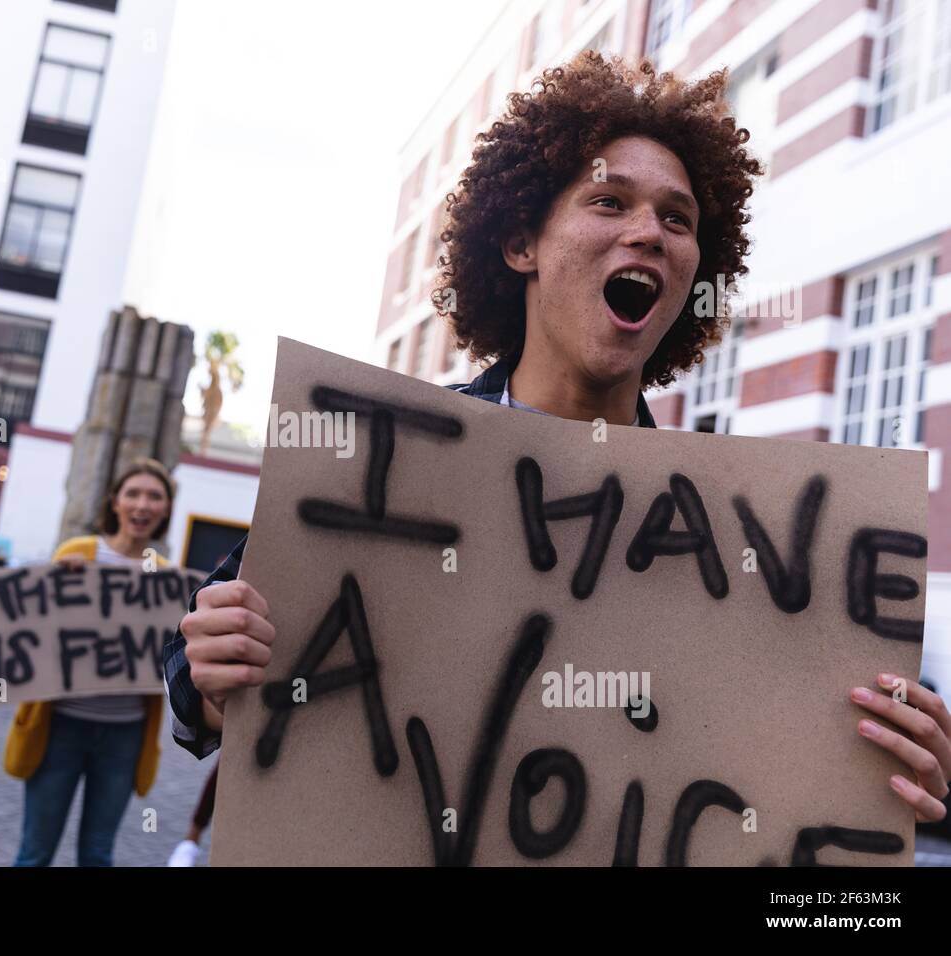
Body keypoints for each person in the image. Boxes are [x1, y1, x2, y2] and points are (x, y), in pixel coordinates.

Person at [165, 53, 951, 828]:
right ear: (520, 244)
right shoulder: (381, 460)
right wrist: (210, 676)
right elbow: (205, 665)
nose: (649, 231)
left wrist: (892, 766)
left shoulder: (753, 535)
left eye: (678, 219)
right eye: (609, 202)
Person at [9, 458, 176, 866]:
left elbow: (168, 662)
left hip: (124, 735)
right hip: (60, 726)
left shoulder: (167, 576)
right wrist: (54, 587)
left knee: (98, 855)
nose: (143, 504)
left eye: (155, 496)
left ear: (166, 509)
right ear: (114, 502)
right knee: (35, 853)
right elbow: (30, 634)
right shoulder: (76, 553)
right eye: (133, 493)